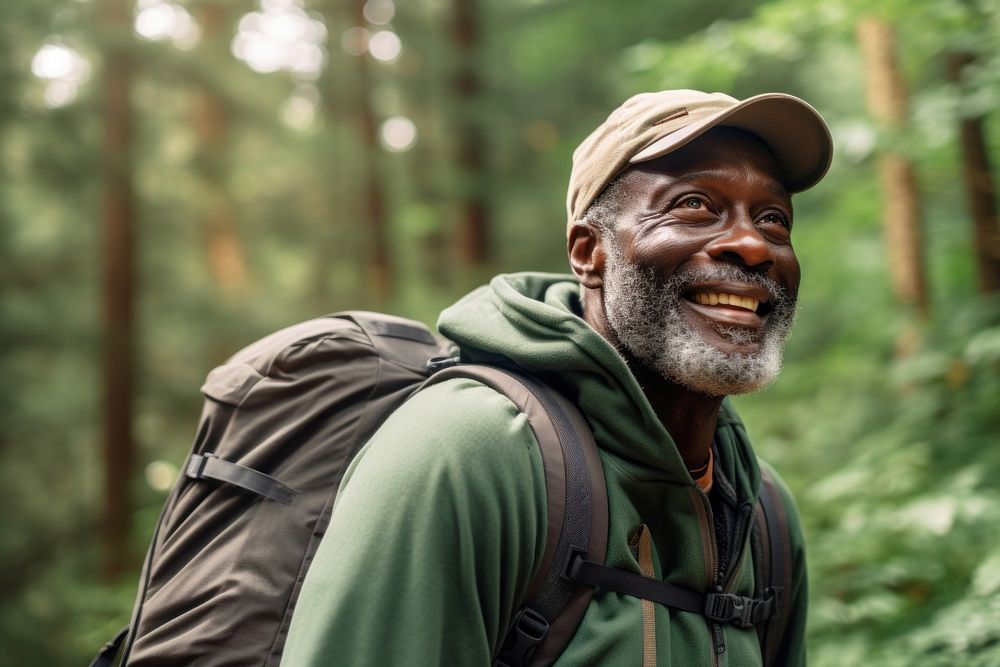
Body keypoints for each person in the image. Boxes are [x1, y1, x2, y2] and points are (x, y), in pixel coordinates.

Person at [281, 89, 833, 665]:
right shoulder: (471, 452)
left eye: (773, 219)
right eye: (695, 204)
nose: (751, 244)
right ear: (589, 252)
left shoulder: (761, 511)